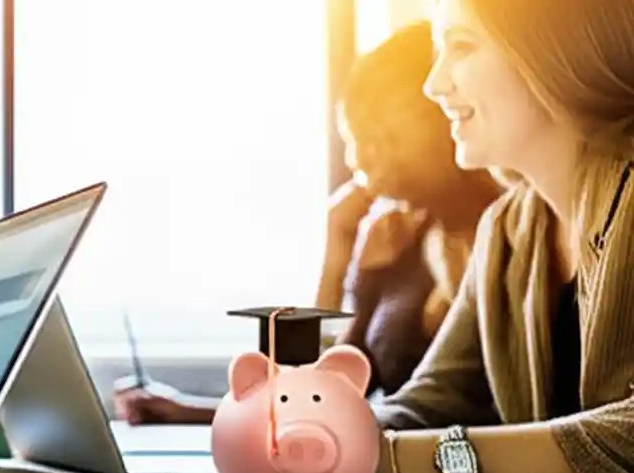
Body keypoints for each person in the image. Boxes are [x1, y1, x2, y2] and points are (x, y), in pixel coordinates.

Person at [115, 22, 502, 424]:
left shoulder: (508, 240)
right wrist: (337, 256)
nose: (359, 160)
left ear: (443, 117)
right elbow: (315, 396)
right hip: (384, 454)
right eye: (354, 140)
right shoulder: (397, 241)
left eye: (380, 136)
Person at [369, 0, 634, 473]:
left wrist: (395, 458)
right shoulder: (509, 230)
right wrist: (318, 429)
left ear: (552, 50)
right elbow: (433, 401)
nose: (433, 84)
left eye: (462, 47)